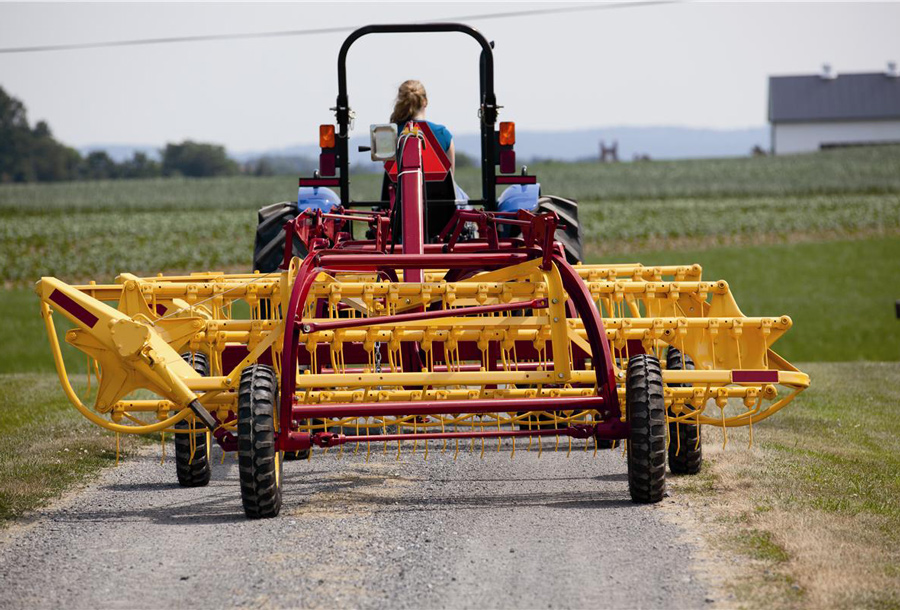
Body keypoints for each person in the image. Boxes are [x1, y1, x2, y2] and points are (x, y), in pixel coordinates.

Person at [390, 79, 456, 171]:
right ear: (425, 101)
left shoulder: (391, 135)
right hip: (436, 185)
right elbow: (450, 180)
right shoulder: (443, 134)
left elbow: (390, 176)